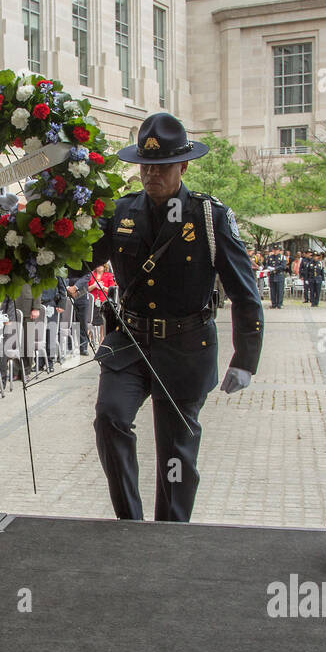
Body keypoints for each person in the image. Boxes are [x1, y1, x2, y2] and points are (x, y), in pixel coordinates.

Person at [86, 112, 263, 522]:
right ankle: (130, 522)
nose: (151, 175)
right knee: (109, 418)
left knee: (175, 454)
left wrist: (245, 357)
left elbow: (244, 291)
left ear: (182, 166)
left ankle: (170, 533)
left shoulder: (209, 217)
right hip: (129, 343)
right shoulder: (120, 212)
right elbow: (81, 261)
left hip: (185, 348)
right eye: (145, 167)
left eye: (161, 167)